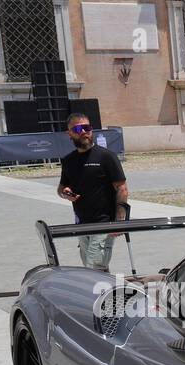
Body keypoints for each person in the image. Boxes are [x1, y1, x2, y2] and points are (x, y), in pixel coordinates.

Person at [56, 113, 128, 271]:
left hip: (104, 223)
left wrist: (119, 221)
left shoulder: (106, 156)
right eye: (78, 128)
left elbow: (121, 188)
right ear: (69, 133)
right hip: (82, 224)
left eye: (87, 128)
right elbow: (61, 188)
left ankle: (104, 293)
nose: (83, 132)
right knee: (92, 269)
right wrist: (65, 193)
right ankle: (106, 293)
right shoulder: (68, 160)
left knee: (95, 267)